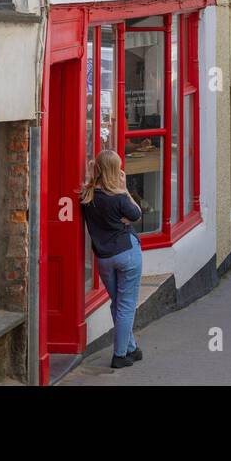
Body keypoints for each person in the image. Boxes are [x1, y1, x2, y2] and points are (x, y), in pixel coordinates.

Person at [80, 149, 144, 368]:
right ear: (116, 171)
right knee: (126, 305)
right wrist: (125, 189)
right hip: (127, 253)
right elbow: (136, 214)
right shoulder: (118, 197)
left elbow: (89, 187)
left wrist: (90, 177)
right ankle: (119, 355)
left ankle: (131, 348)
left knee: (118, 302)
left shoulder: (87, 196)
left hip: (104, 258)